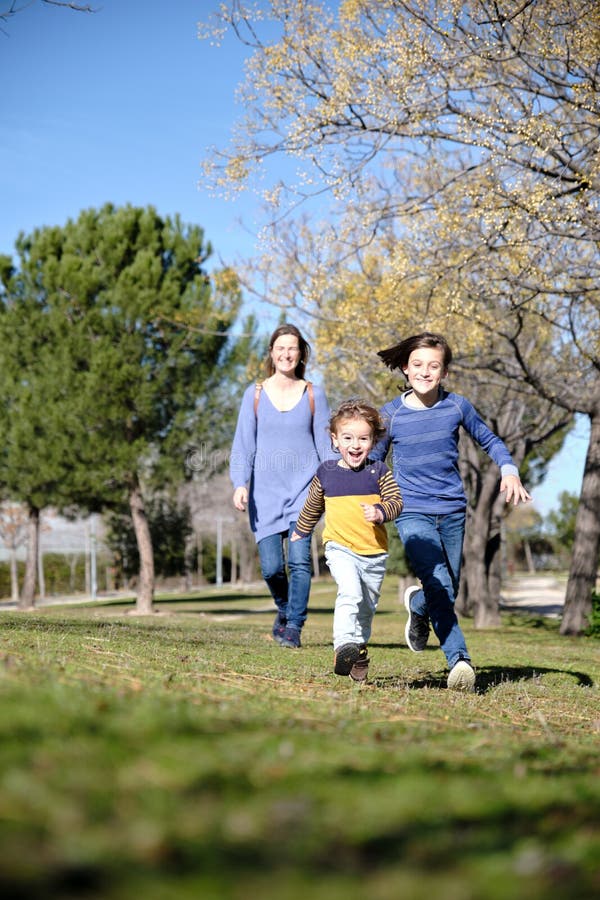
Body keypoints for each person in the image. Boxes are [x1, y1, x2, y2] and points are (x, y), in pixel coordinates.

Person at [372, 331, 532, 692]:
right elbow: (375, 464)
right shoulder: (391, 415)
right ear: (404, 368)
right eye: (417, 365)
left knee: (450, 586)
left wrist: (508, 468)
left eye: (433, 366)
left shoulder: (457, 406)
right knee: (441, 584)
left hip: (453, 511)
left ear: (444, 372)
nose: (425, 372)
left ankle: (419, 608)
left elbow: (489, 439)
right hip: (412, 510)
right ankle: (459, 660)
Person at [230, 323, 333, 649]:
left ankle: (294, 627)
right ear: (272, 353)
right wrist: (239, 483)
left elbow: (326, 446)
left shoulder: (315, 394)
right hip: (264, 494)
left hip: (305, 490)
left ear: (301, 353)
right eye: (281, 347)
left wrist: (335, 482)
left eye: (293, 348)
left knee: (300, 561)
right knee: (273, 568)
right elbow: (243, 444)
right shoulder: (255, 394)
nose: (287, 353)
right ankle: (284, 608)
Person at [291, 399, 403, 681]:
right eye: (348, 438)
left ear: (373, 440)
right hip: (340, 547)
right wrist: (301, 531)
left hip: (374, 553)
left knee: (366, 610)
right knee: (350, 593)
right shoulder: (326, 472)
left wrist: (380, 511)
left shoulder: (379, 472)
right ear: (335, 439)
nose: (355, 445)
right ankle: (342, 645)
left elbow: (396, 501)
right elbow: (313, 505)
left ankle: (358, 653)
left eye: (363, 438)